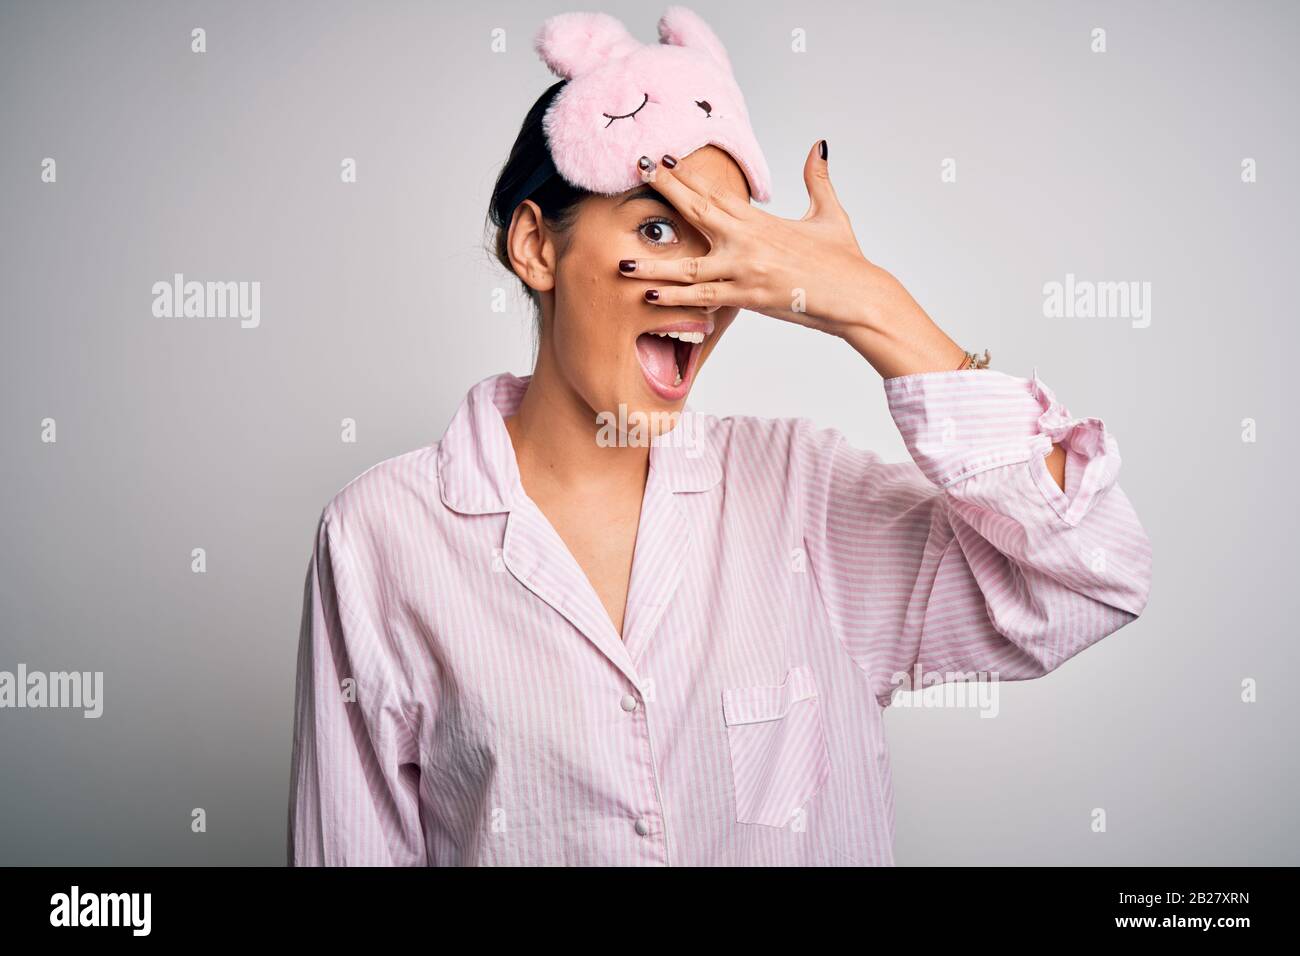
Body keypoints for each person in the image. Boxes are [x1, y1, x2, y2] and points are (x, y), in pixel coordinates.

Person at [287, 7, 1152, 866]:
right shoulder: (380, 537)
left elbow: (1092, 581)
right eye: (657, 230)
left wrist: (871, 303)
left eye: (729, 247)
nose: (704, 289)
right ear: (535, 249)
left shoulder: (803, 493)